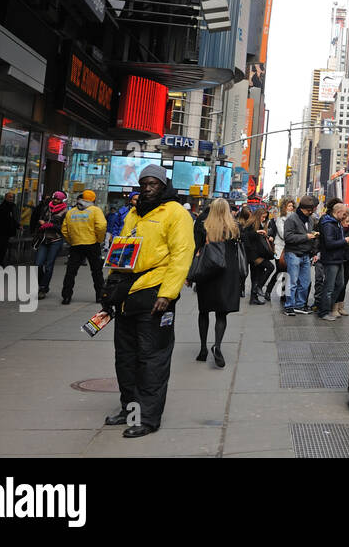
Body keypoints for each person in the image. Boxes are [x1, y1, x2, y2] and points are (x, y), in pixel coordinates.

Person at [102, 164, 193, 438]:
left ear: (163, 186)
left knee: (152, 359)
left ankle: (148, 418)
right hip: (127, 293)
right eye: (144, 183)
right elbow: (121, 251)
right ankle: (129, 409)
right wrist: (110, 288)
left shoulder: (176, 213)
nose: (147, 188)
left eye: (153, 184)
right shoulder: (134, 213)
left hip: (155, 293)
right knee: (125, 358)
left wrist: (168, 293)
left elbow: (182, 254)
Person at [193, 198, 243, 367]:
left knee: (204, 311)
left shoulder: (203, 224)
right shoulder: (234, 226)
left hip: (207, 270)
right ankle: (217, 345)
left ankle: (202, 349)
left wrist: (189, 274)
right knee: (221, 313)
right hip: (227, 272)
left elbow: (196, 247)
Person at [60, 190, 107, 305]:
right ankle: (100, 296)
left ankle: (66, 296)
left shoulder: (71, 212)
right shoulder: (95, 210)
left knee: (71, 272)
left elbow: (64, 230)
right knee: (96, 271)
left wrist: (72, 240)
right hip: (92, 244)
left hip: (76, 245)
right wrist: (99, 239)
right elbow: (101, 226)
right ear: (93, 199)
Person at [281, 195, 319, 317]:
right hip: (293, 254)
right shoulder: (292, 219)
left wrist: (313, 251)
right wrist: (306, 237)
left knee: (305, 282)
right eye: (310, 209)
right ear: (305, 208)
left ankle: (300, 305)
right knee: (292, 282)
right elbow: (288, 237)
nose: (312, 212)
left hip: (305, 254)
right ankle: (289, 306)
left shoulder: (311, 219)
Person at [317, 202, 349, 321]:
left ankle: (326, 308)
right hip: (331, 259)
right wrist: (345, 241)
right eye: (343, 213)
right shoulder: (329, 224)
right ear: (338, 212)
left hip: (338, 259)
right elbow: (329, 243)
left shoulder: (336, 223)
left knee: (339, 285)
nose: (344, 216)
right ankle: (324, 311)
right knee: (329, 287)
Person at [32, 191, 68, 299]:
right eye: (54, 199)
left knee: (49, 265)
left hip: (56, 240)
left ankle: (43, 288)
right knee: (38, 264)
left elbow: (64, 228)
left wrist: (50, 225)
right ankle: (42, 283)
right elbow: (39, 218)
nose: (55, 201)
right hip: (43, 239)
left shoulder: (65, 211)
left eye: (58, 199)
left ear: (62, 200)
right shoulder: (47, 208)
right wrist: (40, 224)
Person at [240, 206, 276, 304]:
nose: (263, 219)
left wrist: (267, 236)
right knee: (270, 267)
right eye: (263, 217)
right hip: (253, 254)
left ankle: (253, 298)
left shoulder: (260, 224)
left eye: (265, 217)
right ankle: (259, 288)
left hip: (258, 253)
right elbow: (244, 236)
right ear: (258, 215)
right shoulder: (251, 223)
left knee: (255, 275)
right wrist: (257, 232)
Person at [264, 199, 293, 302]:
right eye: (289, 206)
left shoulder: (294, 219)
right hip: (279, 248)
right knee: (280, 269)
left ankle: (283, 293)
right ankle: (268, 290)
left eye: (292, 206)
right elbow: (283, 234)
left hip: (289, 248)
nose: (291, 208)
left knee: (286, 271)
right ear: (284, 207)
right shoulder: (280, 219)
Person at [0, 192, 17, 266]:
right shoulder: (2, 207)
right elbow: (6, 220)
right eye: (9, 197)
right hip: (1, 232)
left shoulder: (11, 207)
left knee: (3, 249)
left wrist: (17, 226)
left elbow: (12, 219)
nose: (11, 198)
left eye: (12, 197)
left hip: (6, 232)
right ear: (5, 197)